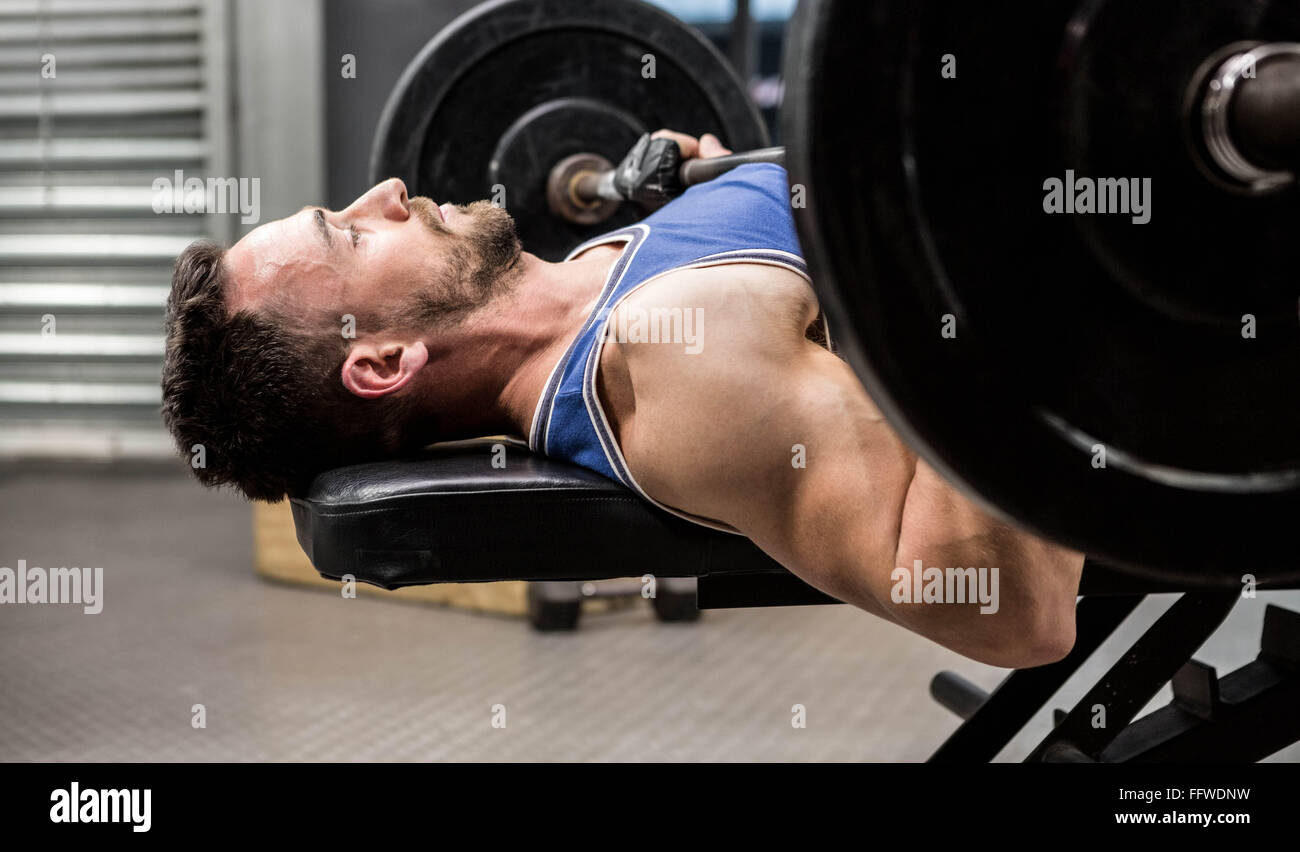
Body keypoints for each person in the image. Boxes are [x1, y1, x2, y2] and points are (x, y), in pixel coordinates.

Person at [162, 130, 1083, 667]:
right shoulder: (666, 366)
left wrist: (717, 167)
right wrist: (990, 241)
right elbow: (1009, 606)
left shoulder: (606, 285)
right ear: (383, 363)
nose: (387, 192)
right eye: (351, 237)